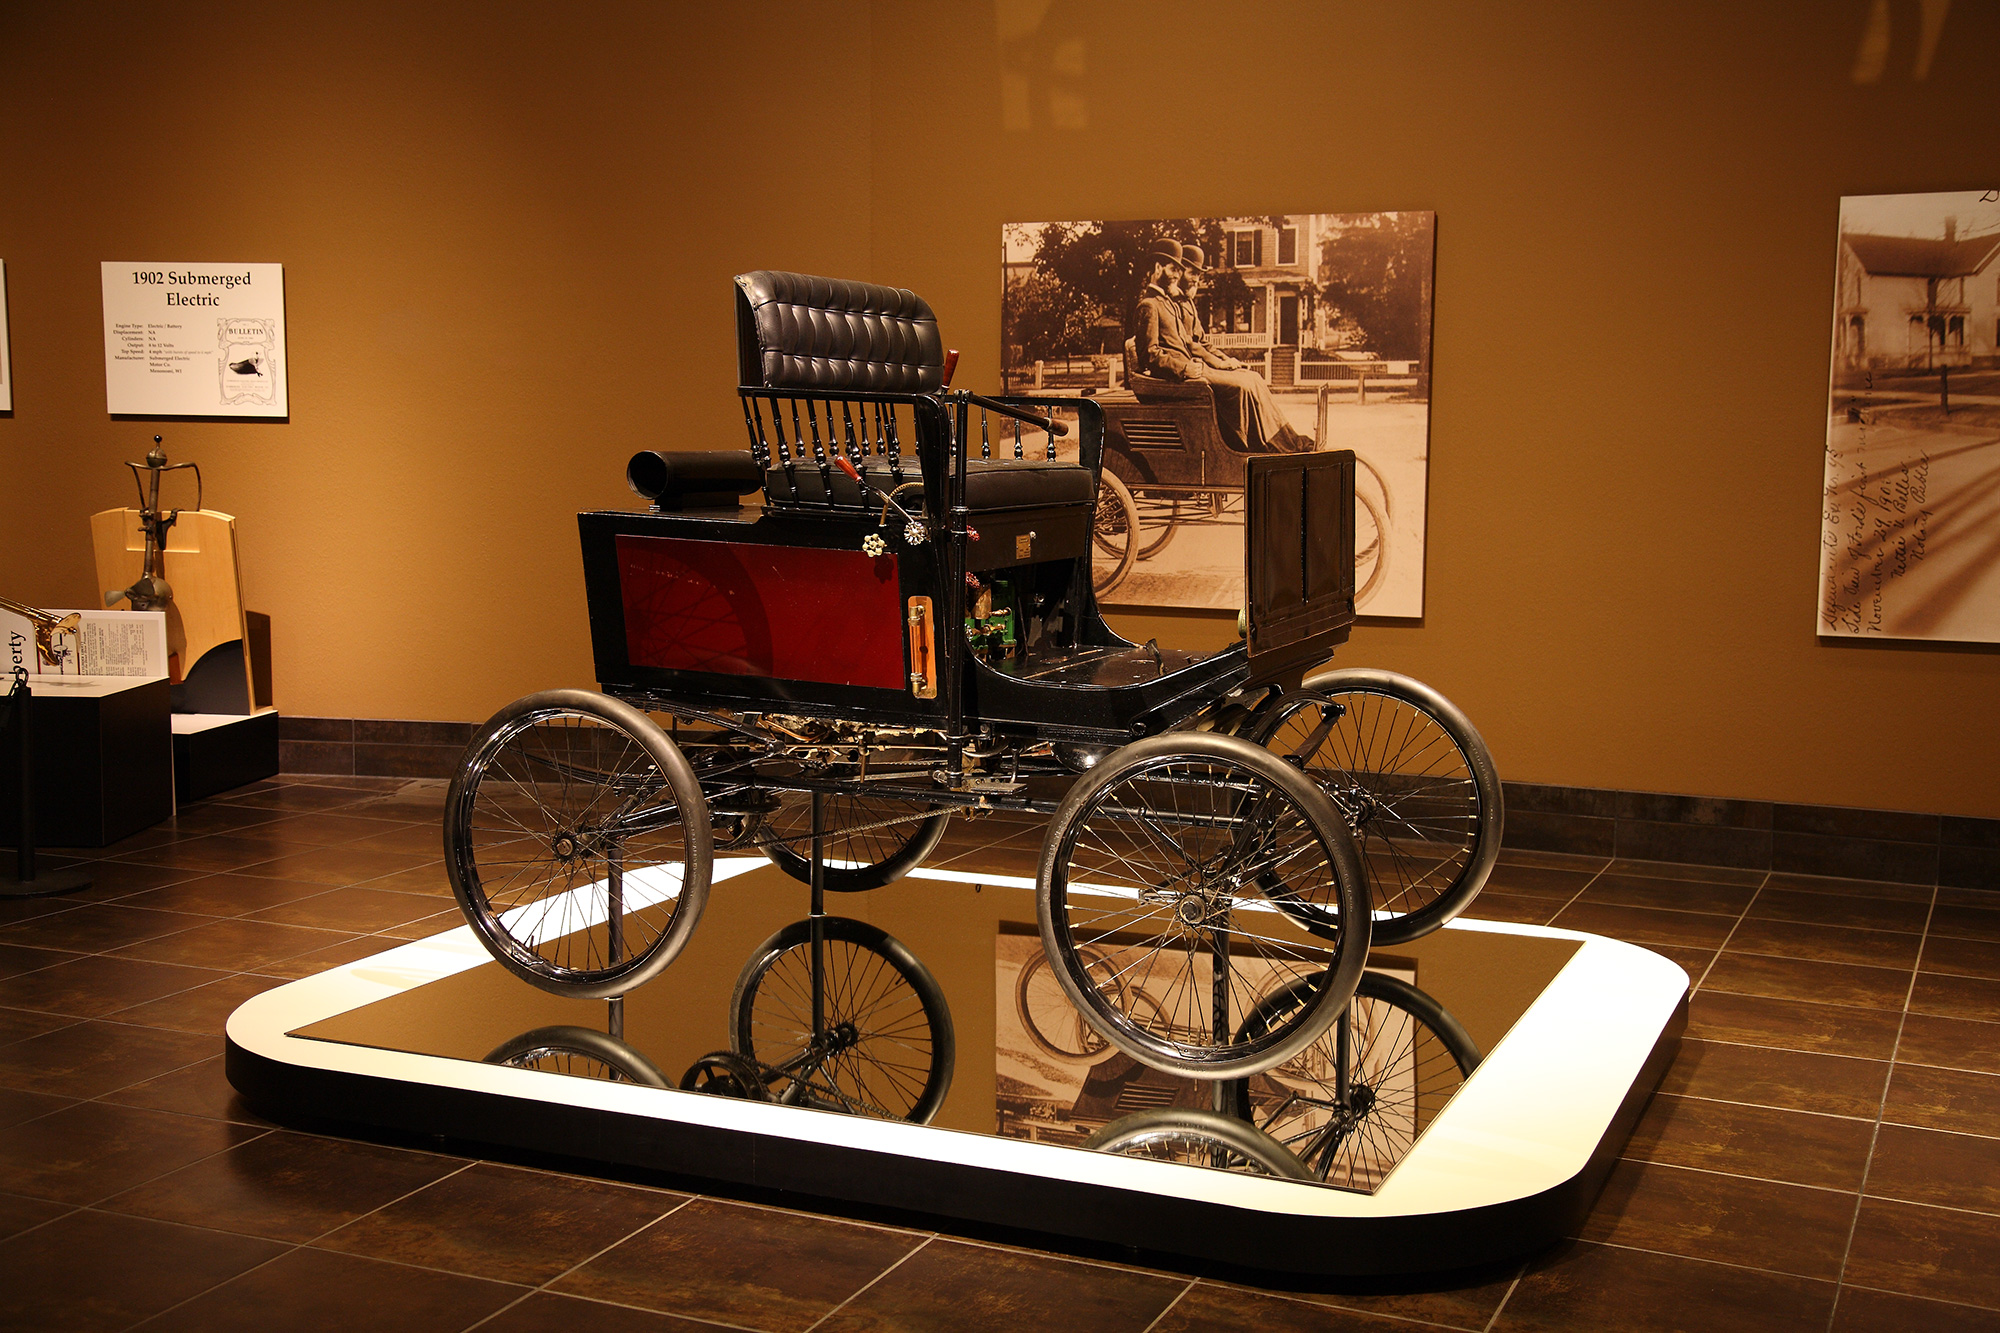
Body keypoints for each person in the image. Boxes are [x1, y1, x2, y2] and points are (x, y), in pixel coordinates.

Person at [1174, 243, 1313, 453]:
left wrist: (1228, 360)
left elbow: (1204, 342)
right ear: (1178, 270)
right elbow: (1190, 345)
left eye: (1198, 275)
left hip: (1205, 365)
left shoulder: (1188, 302)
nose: (1196, 279)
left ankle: (1285, 438)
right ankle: (1252, 445)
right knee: (1242, 387)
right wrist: (1220, 363)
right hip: (1193, 370)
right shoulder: (1172, 303)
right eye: (1192, 273)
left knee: (1253, 378)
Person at [1131, 241, 1203, 381]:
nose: (1177, 276)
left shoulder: (1168, 303)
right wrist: (1184, 368)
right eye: (1173, 269)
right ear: (1158, 268)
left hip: (1188, 373)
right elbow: (1150, 355)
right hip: (1172, 381)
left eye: (1179, 271)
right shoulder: (1149, 305)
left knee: (1245, 381)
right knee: (1239, 387)